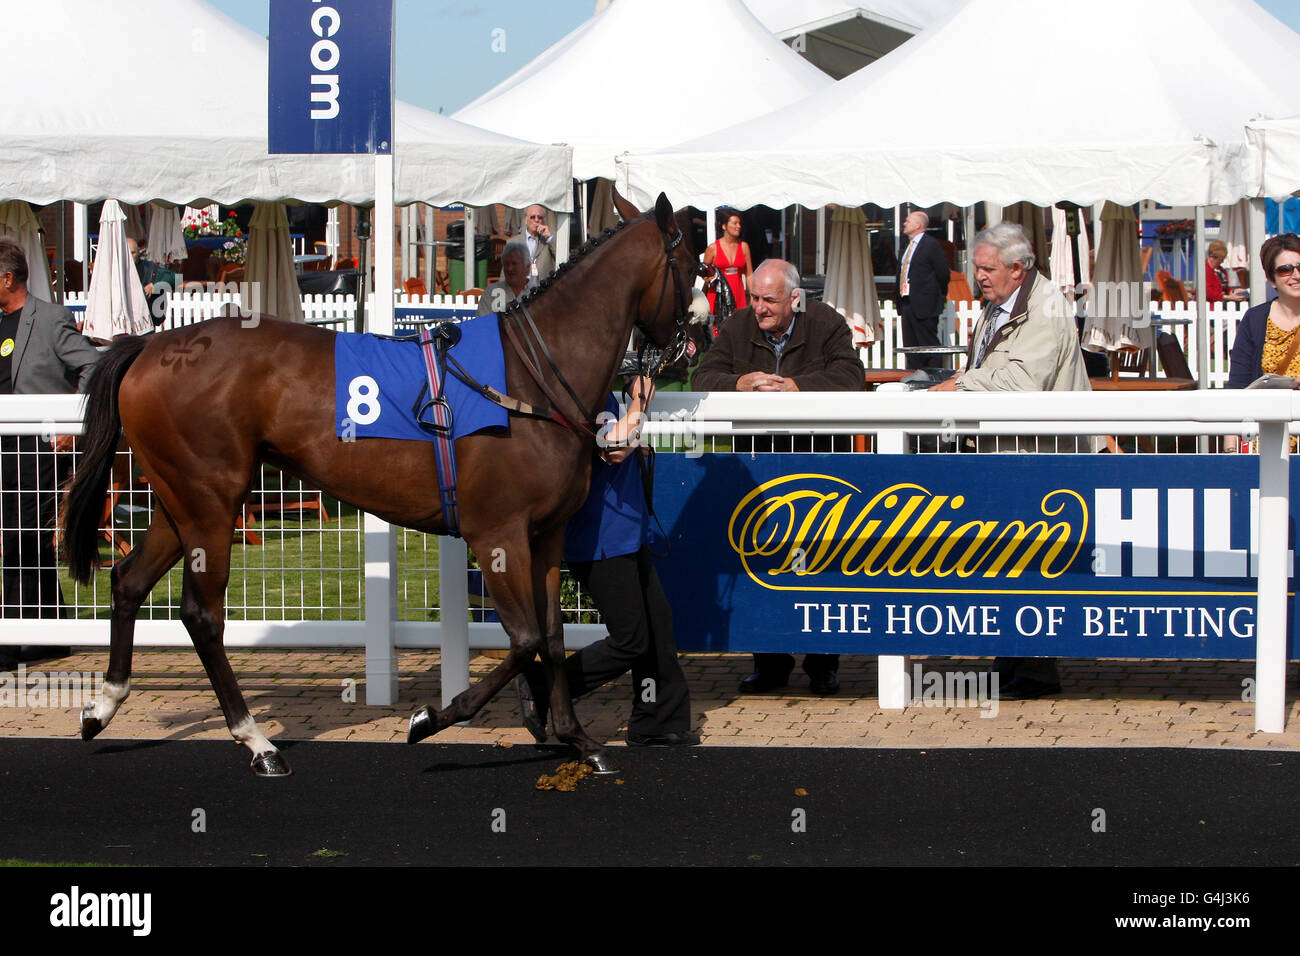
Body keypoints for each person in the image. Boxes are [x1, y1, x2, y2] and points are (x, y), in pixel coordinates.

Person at [931, 222, 1092, 700]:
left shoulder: (1047, 309)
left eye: (987, 268)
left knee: (1032, 561)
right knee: (1004, 558)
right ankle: (1009, 660)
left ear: (1018, 270)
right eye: (976, 267)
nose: (977, 276)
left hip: (1040, 455)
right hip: (1006, 453)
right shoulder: (1002, 306)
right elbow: (989, 369)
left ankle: (1037, 671)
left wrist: (958, 384)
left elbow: (1022, 382)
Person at [692, 258, 865, 695]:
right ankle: (770, 663)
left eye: (769, 299)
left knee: (823, 559)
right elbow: (701, 375)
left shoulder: (826, 323)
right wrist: (739, 383)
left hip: (819, 459)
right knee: (760, 557)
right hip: (758, 464)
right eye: (754, 298)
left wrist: (795, 387)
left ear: (794, 299)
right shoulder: (736, 326)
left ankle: (823, 664)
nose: (759, 308)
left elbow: (851, 377)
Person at [514, 376, 698, 747]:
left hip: (626, 535)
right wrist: (640, 402)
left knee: (658, 630)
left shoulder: (602, 396)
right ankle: (545, 684)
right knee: (632, 641)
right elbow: (615, 447)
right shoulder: (584, 400)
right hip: (600, 541)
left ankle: (655, 721)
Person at [0, 239, 101, 669]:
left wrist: (70, 423)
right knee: (26, 537)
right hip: (4, 446)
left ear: (7, 278)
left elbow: (93, 365)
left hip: (36, 447)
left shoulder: (50, 318)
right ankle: (54, 631)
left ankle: (10, 640)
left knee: (21, 535)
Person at [1225, 234, 1300, 449]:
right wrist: (1231, 446)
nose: (1295, 274)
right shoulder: (1255, 319)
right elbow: (1238, 384)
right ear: (1271, 278)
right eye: (1285, 269)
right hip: (1266, 441)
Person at [896, 210, 952, 369]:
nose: (904, 224)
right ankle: (913, 375)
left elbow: (943, 274)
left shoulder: (931, 245)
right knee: (911, 345)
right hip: (907, 301)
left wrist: (934, 296)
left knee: (928, 343)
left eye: (908, 221)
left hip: (925, 304)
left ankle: (934, 376)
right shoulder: (907, 246)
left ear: (918, 225)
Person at [702, 208, 753, 316]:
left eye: (739, 223)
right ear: (724, 226)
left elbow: (749, 274)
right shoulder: (713, 248)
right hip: (718, 296)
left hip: (738, 294)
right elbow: (704, 274)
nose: (738, 226)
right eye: (734, 223)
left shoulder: (744, 247)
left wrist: (753, 296)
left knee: (739, 326)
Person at [126, 237, 180, 327]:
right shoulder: (114, 271)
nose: (129, 257)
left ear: (138, 252)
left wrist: (155, 285)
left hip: (145, 323)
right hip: (123, 325)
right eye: (126, 253)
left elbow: (177, 279)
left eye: (132, 253)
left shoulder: (149, 268)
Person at [476, 241, 530, 315]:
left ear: (527, 267)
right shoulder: (490, 292)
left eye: (514, 264)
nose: (510, 268)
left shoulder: (538, 293)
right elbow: (482, 323)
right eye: (506, 264)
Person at [518, 204, 556, 283]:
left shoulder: (547, 242)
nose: (536, 220)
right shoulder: (514, 242)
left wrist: (549, 237)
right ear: (525, 220)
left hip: (543, 289)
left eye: (540, 217)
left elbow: (561, 257)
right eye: (532, 217)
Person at [1205, 239, 1247, 304]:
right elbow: (1208, 293)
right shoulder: (1204, 271)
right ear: (1212, 257)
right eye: (1220, 259)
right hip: (1210, 307)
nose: (1222, 262)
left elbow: (1226, 289)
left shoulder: (1222, 271)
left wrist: (1234, 291)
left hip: (1223, 305)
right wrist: (1228, 297)